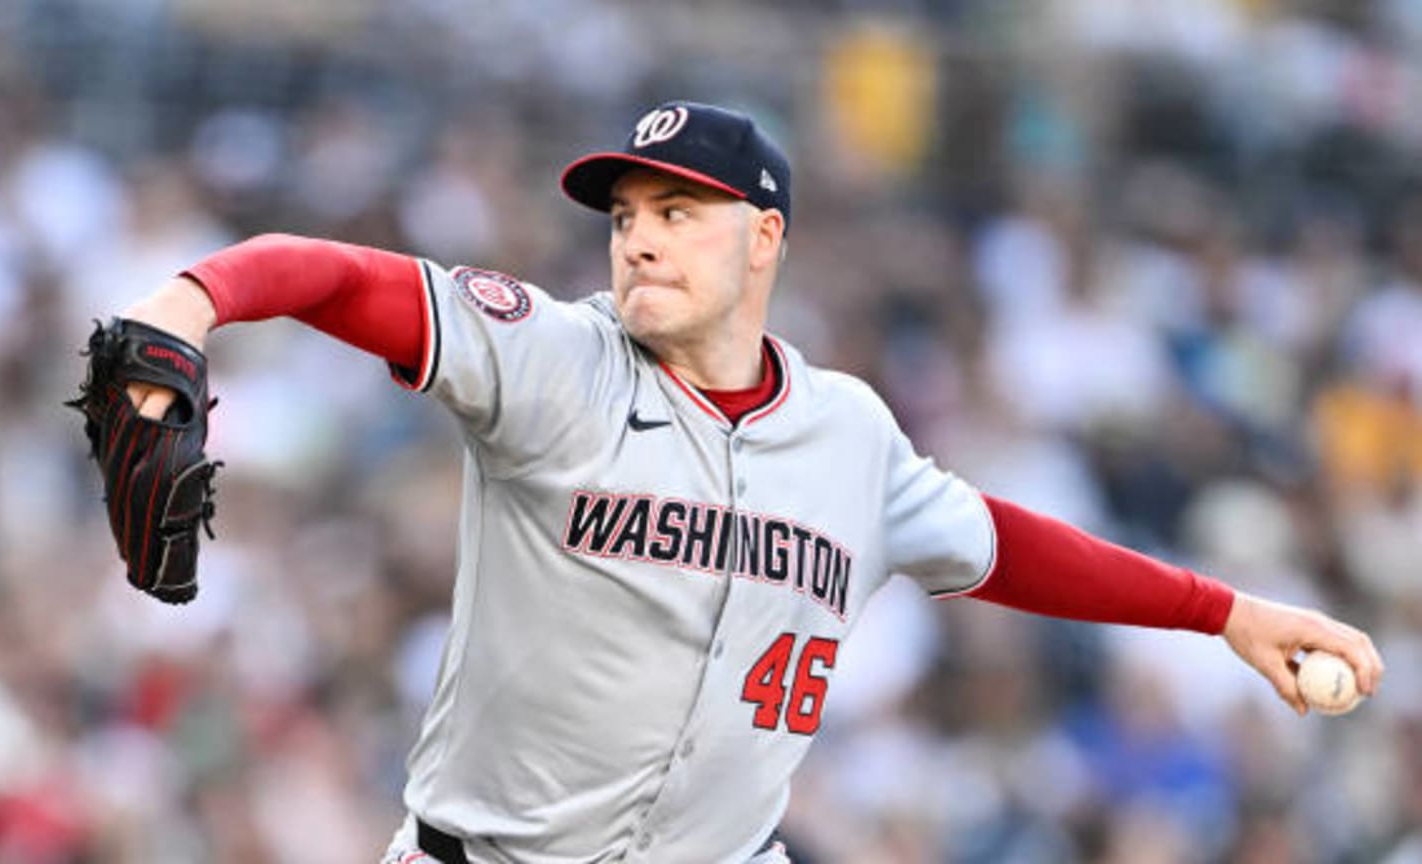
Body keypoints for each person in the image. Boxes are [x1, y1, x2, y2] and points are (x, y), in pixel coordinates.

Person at [111, 101, 1384, 864]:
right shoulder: (553, 360)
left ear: (765, 237)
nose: (639, 236)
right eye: (626, 214)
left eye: (680, 211)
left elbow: (1005, 544)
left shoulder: (849, 433)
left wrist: (1226, 612)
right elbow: (338, 276)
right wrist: (192, 298)